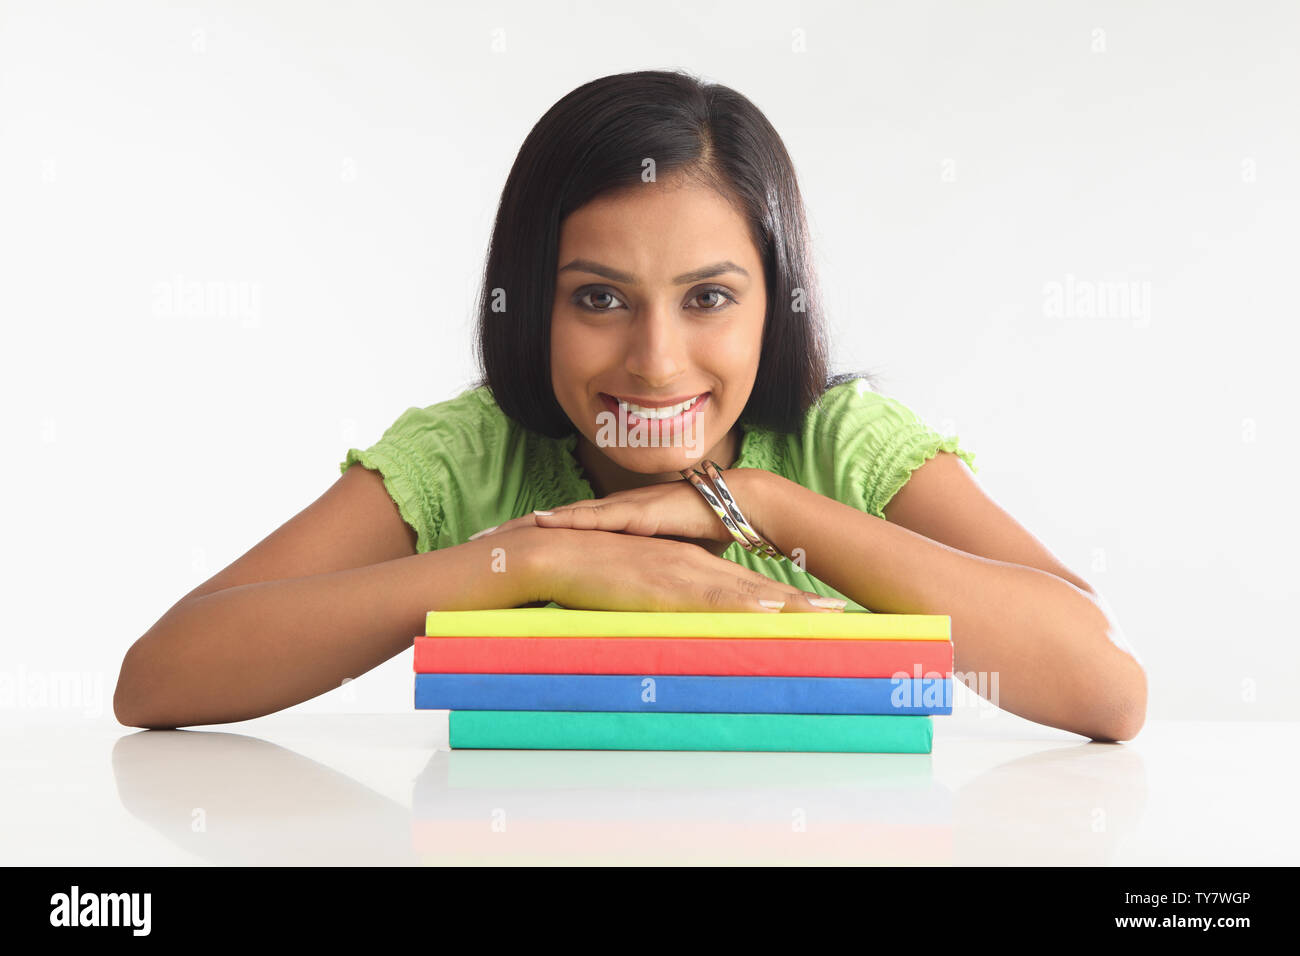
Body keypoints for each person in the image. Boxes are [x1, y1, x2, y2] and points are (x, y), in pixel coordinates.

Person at [114, 69, 1146, 740]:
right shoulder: (471, 454)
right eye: (598, 297)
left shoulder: (837, 443)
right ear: (530, 298)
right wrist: (531, 557)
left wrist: (764, 507)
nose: (655, 362)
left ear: (773, 304)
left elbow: (1105, 687)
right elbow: (160, 678)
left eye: (708, 297)